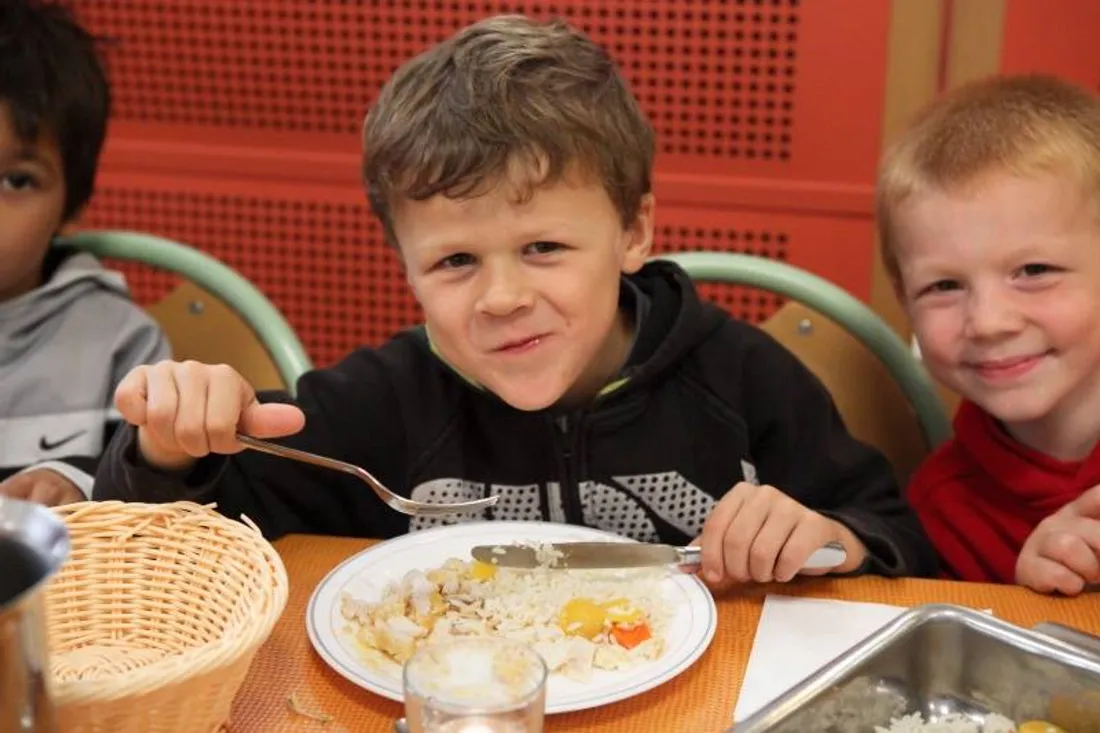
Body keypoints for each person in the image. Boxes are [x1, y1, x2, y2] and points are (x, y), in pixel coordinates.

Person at [94, 15, 936, 585]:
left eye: (544, 248)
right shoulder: (376, 407)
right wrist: (172, 454)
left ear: (634, 230)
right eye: (457, 259)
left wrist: (833, 539)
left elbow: (896, 541)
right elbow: (170, 555)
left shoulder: (743, 378)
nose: (502, 296)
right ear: (406, 265)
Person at [879, 73, 1100, 595]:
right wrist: (1035, 605)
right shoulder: (940, 512)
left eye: (1034, 271)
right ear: (903, 296)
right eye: (944, 285)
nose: (989, 322)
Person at [0, 0, 170, 507]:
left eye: (16, 180)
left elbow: (150, 485)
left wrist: (75, 481)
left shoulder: (121, 342)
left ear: (72, 205)